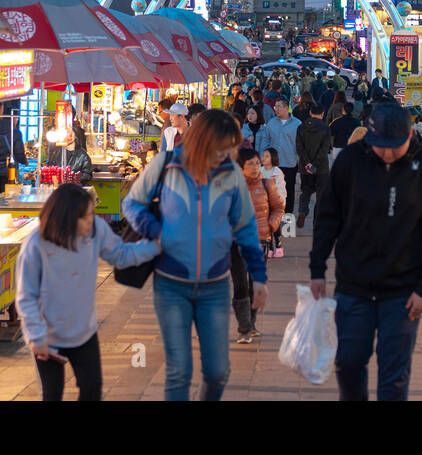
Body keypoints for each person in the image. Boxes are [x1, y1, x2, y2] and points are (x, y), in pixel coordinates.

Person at [123, 110, 267, 401]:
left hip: (214, 285)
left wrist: (259, 277)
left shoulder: (230, 175)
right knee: (179, 371)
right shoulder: (165, 165)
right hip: (171, 283)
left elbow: (246, 227)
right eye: (224, 147)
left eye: (231, 148)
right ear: (203, 141)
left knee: (218, 371)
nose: (228, 154)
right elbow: (132, 204)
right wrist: (156, 230)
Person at [309, 101, 422, 401]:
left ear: (410, 135)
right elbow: (328, 215)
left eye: (393, 146)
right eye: (378, 145)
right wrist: (317, 268)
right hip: (353, 286)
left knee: (394, 377)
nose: (385, 152)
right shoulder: (351, 160)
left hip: (403, 292)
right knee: (348, 364)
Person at [16, 183, 159, 401]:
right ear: (66, 218)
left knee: (92, 389)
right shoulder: (36, 245)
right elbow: (26, 296)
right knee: (52, 394)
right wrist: (36, 336)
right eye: (85, 216)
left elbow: (120, 254)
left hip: (84, 332)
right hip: (47, 334)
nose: (91, 220)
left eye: (92, 213)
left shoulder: (96, 232)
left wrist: (154, 247)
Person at [234, 147, 283, 342]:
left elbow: (279, 207)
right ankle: (244, 328)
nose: (255, 167)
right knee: (240, 285)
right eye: (250, 164)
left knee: (254, 284)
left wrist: (270, 225)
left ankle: (251, 324)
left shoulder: (267, 184)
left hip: (260, 241)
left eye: (257, 163)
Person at [255, 96, 302, 213]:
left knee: (289, 190)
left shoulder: (297, 123)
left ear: (286, 108)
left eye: (279, 107)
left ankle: (287, 216)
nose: (276, 109)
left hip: (290, 162)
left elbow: (300, 144)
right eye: (275, 107)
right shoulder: (271, 123)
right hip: (274, 163)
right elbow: (265, 141)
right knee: (271, 190)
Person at [294, 100, 332, 228]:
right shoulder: (325, 128)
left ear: (310, 113)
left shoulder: (301, 127)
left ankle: (303, 211)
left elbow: (299, 147)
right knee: (321, 195)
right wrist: (315, 164)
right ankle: (317, 220)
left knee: (305, 191)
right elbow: (325, 148)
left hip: (305, 167)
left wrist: (307, 163)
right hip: (321, 167)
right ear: (322, 114)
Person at [260, 147, 288, 258]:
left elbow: (281, 188)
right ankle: (270, 247)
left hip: (275, 203)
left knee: (274, 225)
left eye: (267, 156)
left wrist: (280, 203)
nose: (264, 158)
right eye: (263, 156)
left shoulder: (278, 172)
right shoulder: (260, 171)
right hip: (264, 203)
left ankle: (279, 245)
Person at [329, 100, 361, 167]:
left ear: (343, 110)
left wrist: (332, 147)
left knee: (337, 169)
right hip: (351, 148)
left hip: (337, 147)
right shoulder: (357, 122)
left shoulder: (336, 122)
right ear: (352, 110)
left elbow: (331, 137)